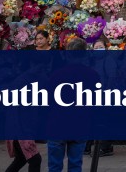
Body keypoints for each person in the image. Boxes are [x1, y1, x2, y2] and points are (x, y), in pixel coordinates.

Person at [47, 38, 89, 172]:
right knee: (76, 165)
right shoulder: (92, 75)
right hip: (80, 124)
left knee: (54, 166)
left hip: (57, 124)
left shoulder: (57, 75)